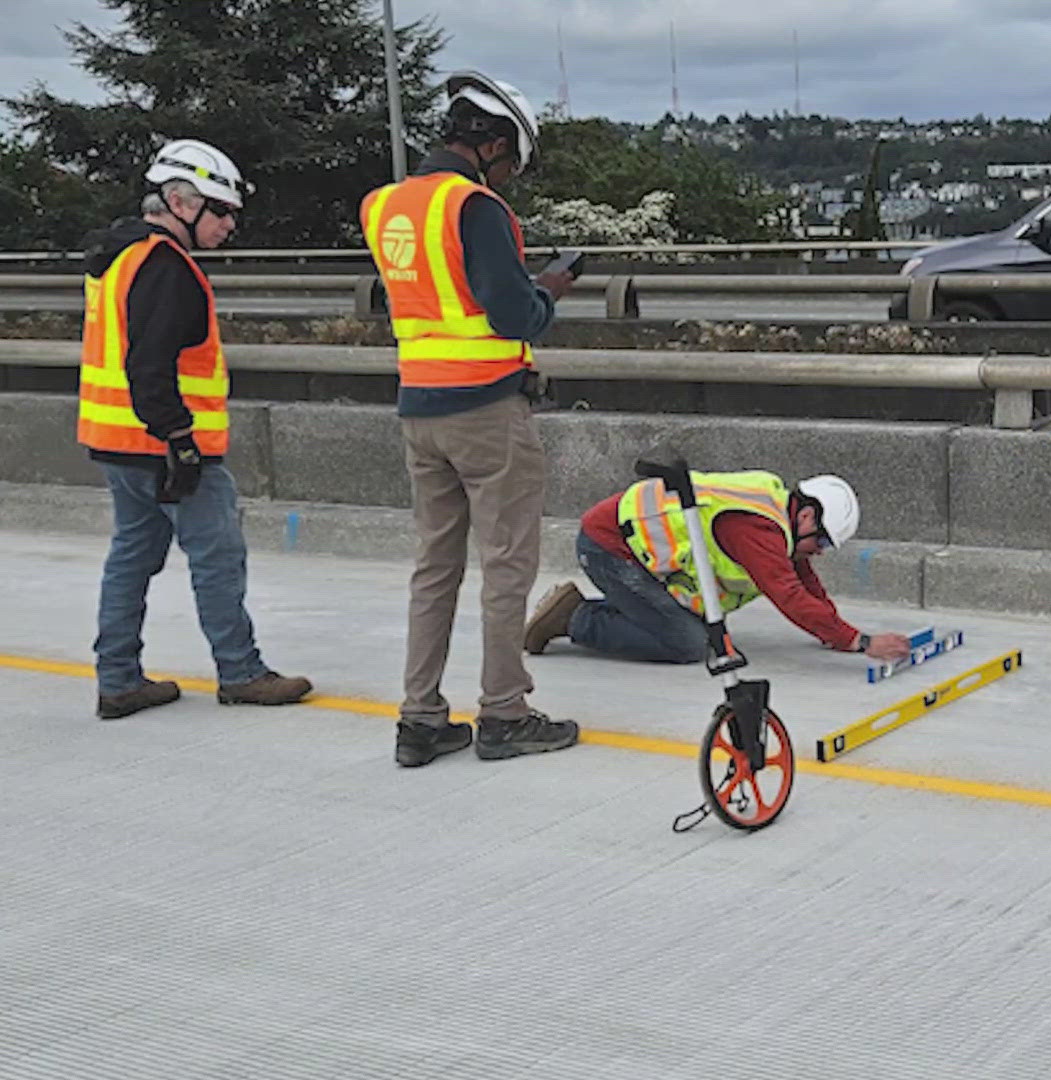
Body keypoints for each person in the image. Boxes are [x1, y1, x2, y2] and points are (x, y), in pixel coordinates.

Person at [360, 71, 581, 768]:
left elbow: (435, 296)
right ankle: (504, 714)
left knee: (434, 568)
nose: (510, 175)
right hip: (486, 408)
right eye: (513, 159)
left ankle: (420, 718)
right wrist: (546, 292)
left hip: (419, 407)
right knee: (507, 566)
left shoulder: (386, 205)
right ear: (493, 144)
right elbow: (510, 314)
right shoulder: (475, 207)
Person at [79, 139, 313, 719]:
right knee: (218, 557)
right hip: (169, 449)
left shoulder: (119, 257)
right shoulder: (165, 266)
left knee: (130, 558)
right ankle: (241, 672)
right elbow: (149, 363)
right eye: (220, 209)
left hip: (117, 443)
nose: (229, 223)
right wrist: (179, 438)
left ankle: (118, 680)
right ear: (179, 201)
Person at [523, 470, 915, 666]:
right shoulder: (758, 531)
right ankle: (574, 617)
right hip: (609, 548)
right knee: (689, 645)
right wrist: (860, 642)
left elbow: (803, 580)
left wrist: (837, 633)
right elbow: (790, 595)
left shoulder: (778, 516)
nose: (821, 552)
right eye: (824, 542)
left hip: (632, 553)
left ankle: (610, 610)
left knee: (701, 635)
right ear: (808, 518)